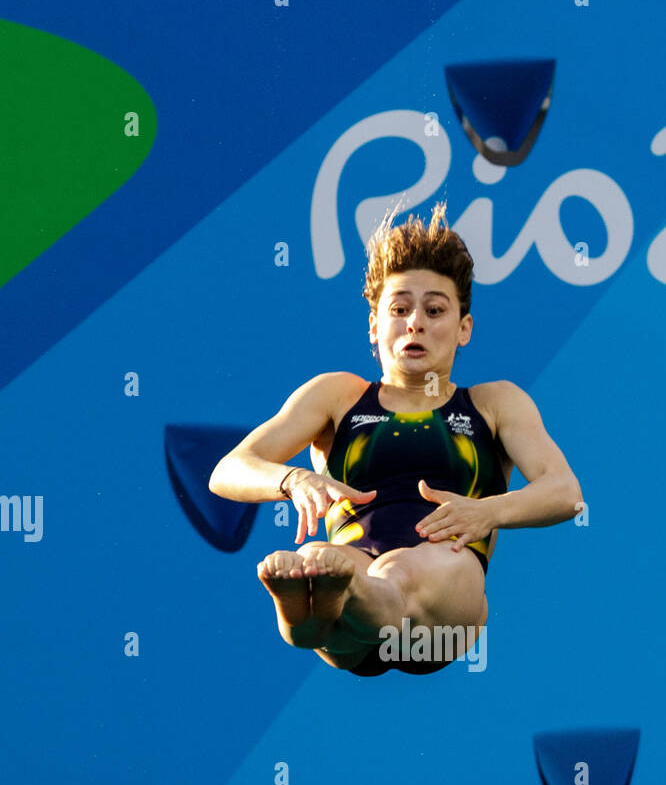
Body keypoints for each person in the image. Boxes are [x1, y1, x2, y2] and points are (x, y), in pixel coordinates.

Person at [208, 201, 584, 676]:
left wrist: (486, 512)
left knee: (380, 575)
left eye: (434, 309)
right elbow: (228, 470)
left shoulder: (494, 403)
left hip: (445, 597)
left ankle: (324, 601)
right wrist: (294, 480)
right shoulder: (337, 395)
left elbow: (565, 493)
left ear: (464, 328)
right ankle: (313, 611)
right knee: (324, 574)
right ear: (373, 325)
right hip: (353, 574)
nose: (415, 322)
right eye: (400, 308)